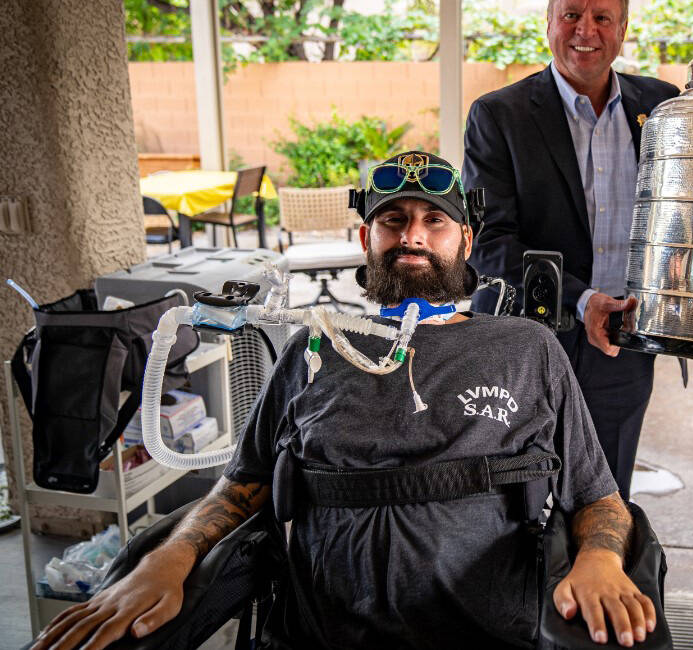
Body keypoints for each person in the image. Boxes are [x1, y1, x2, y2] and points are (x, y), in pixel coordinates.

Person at [32, 151, 657, 650]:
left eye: (433, 221)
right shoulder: (314, 348)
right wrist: (169, 557)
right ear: (366, 236)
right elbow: (241, 487)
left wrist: (600, 558)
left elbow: (596, 495)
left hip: (487, 629)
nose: (412, 236)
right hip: (322, 629)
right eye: (393, 220)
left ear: (465, 240)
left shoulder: (525, 349)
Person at [463, 0, 680, 500]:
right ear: (549, 21)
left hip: (625, 344)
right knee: (520, 499)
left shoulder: (663, 106)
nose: (586, 31)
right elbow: (487, 242)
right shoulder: (498, 115)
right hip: (529, 342)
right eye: (572, 14)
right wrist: (582, 301)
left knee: (607, 496)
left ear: (624, 29)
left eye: (603, 18)